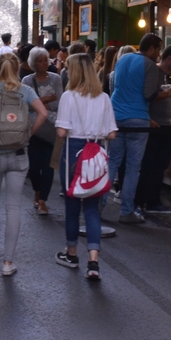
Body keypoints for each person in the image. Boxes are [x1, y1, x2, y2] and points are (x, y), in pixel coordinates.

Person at [0, 54, 47, 276]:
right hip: (19, 154)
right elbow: (42, 113)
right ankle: (8, 263)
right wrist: (28, 134)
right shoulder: (26, 91)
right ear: (17, 70)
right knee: (13, 207)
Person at [55, 53, 117, 282]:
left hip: (74, 151)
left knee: (72, 206)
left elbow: (62, 132)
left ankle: (72, 254)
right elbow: (112, 133)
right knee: (92, 208)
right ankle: (94, 261)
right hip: (96, 153)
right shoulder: (103, 98)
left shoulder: (68, 97)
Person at [108, 34, 165, 225]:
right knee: (133, 167)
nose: (158, 54)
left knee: (113, 162)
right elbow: (148, 94)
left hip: (115, 115)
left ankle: (99, 205)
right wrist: (166, 93)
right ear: (150, 48)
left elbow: (116, 85)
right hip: (137, 119)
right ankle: (126, 211)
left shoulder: (123, 59)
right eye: (157, 49)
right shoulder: (150, 65)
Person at [135, 45, 171, 215]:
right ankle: (139, 201)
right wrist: (147, 119)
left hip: (168, 126)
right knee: (148, 165)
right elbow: (143, 98)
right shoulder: (152, 73)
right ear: (169, 58)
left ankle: (154, 201)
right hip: (153, 126)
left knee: (161, 165)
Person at [22, 46, 62, 215]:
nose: (44, 63)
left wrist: (38, 104)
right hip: (33, 129)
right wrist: (46, 99)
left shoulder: (55, 79)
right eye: (40, 60)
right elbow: (25, 104)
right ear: (33, 63)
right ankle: (37, 190)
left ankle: (43, 200)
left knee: (48, 166)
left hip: (53, 129)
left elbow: (59, 102)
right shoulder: (27, 81)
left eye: (46, 59)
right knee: (33, 166)